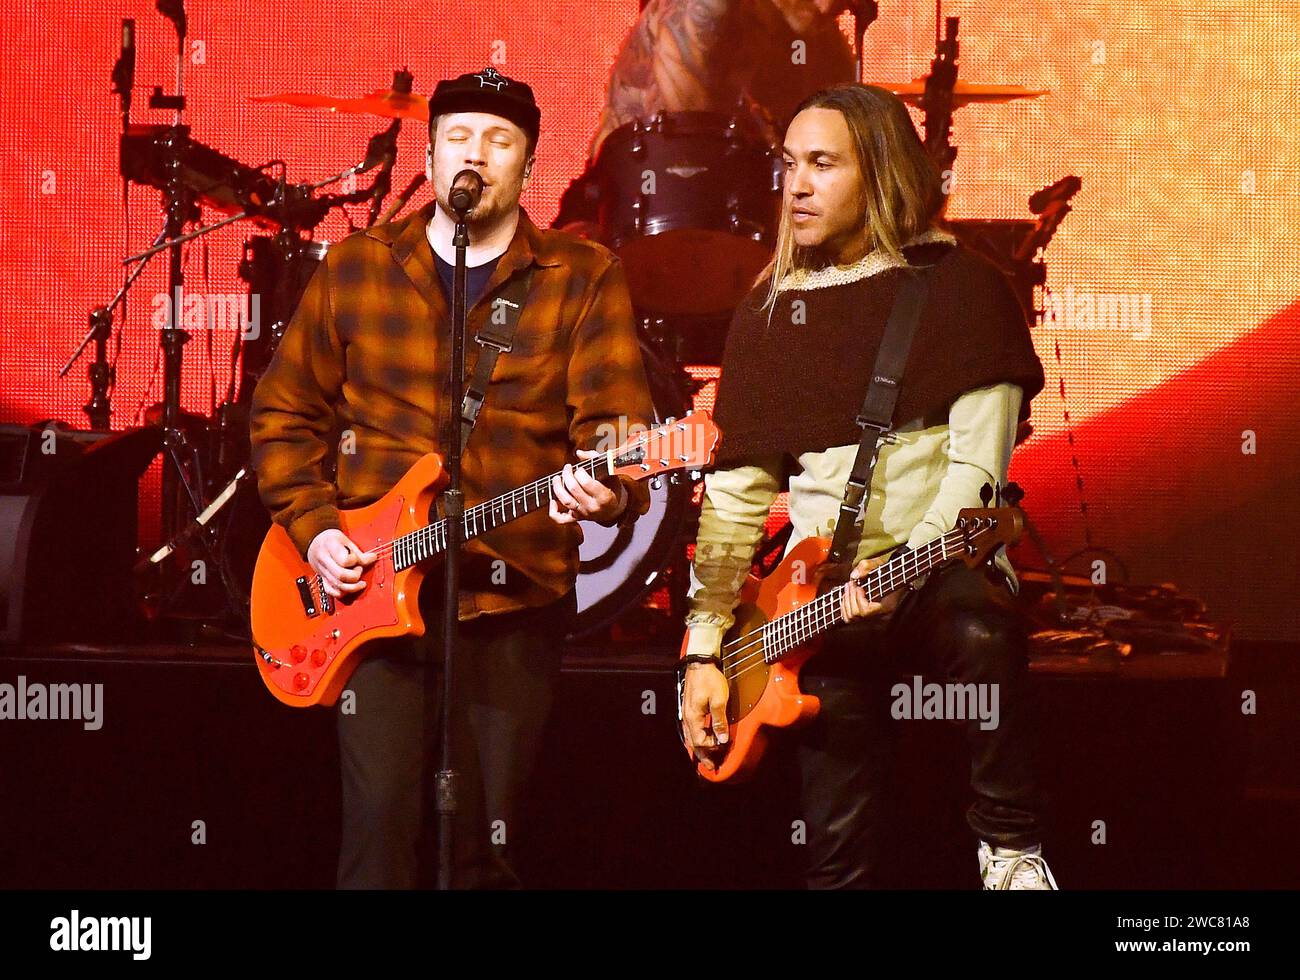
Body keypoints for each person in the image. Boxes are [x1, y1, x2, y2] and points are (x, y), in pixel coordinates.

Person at [249, 67, 654, 888]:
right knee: (378, 837)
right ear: (431, 158)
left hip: (511, 600)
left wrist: (608, 488)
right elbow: (285, 416)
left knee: (486, 848)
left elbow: (617, 428)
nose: (477, 155)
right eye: (460, 138)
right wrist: (319, 529)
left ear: (530, 167)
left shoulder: (583, 275)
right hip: (366, 600)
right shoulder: (361, 268)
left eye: (500, 142)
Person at [679, 82, 1059, 889]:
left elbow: (977, 475)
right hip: (815, 600)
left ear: (880, 173)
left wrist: (902, 567)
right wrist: (704, 646)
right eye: (790, 165)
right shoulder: (770, 312)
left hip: (936, 567)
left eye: (823, 164)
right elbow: (738, 494)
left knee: (982, 634)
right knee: (837, 854)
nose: (798, 186)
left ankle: (1010, 849)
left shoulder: (967, 291)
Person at [556, 0, 856, 233]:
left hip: (749, 231)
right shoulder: (707, 10)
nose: (831, 6)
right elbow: (684, 161)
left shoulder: (830, 53)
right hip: (625, 217)